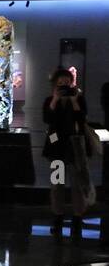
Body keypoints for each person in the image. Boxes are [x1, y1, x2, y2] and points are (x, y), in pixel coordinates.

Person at [44, 68, 95, 234]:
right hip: (57, 149)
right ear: (55, 85)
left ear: (72, 83)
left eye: (67, 82)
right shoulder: (50, 100)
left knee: (77, 185)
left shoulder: (79, 99)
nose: (64, 86)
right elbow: (47, 119)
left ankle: (77, 218)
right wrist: (55, 100)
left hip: (75, 149)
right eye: (60, 83)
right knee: (57, 184)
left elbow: (82, 119)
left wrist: (74, 101)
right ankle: (58, 217)